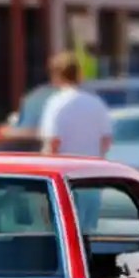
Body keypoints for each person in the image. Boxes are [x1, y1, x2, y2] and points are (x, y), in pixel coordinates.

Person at [39, 51, 112, 232]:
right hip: (92, 179)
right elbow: (106, 140)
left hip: (64, 181)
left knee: (65, 233)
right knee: (89, 236)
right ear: (79, 74)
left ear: (56, 75)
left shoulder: (56, 103)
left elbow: (53, 143)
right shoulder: (96, 103)